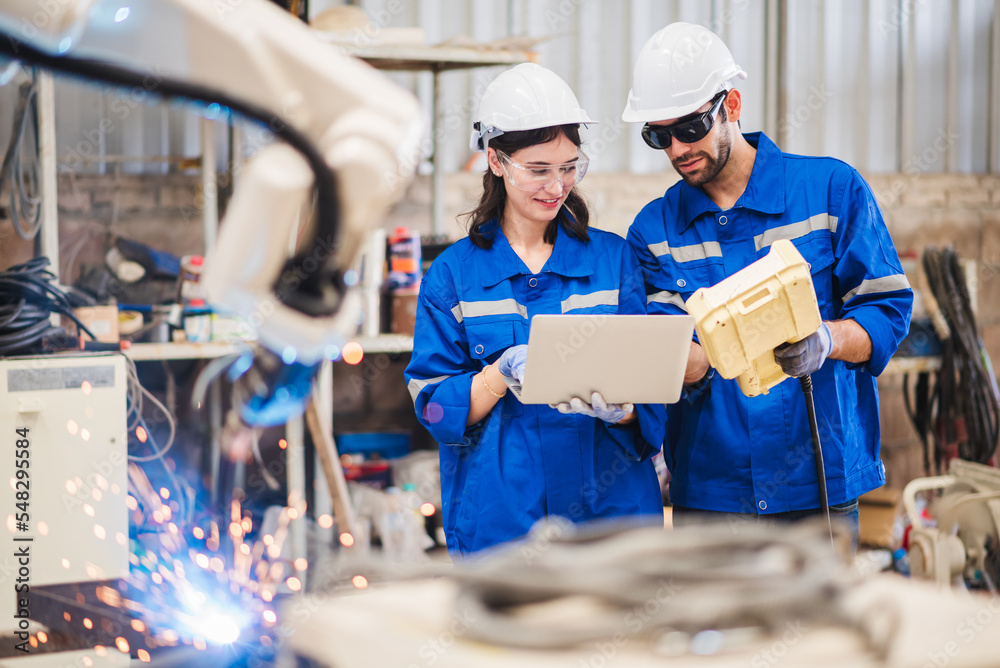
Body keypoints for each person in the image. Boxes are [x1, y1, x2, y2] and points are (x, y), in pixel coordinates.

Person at [622, 23, 913, 545]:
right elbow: (670, 353)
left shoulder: (830, 190)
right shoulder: (654, 231)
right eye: (658, 136)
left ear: (731, 104)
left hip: (817, 486)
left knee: (822, 630)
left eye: (689, 128)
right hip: (712, 495)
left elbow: (887, 311)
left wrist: (828, 339)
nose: (676, 149)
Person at [405, 63, 665, 557]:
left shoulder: (613, 261)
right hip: (505, 526)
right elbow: (434, 408)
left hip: (612, 522)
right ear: (497, 162)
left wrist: (628, 409)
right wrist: (496, 377)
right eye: (539, 170)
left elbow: (654, 394)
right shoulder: (454, 277)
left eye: (569, 168)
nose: (557, 186)